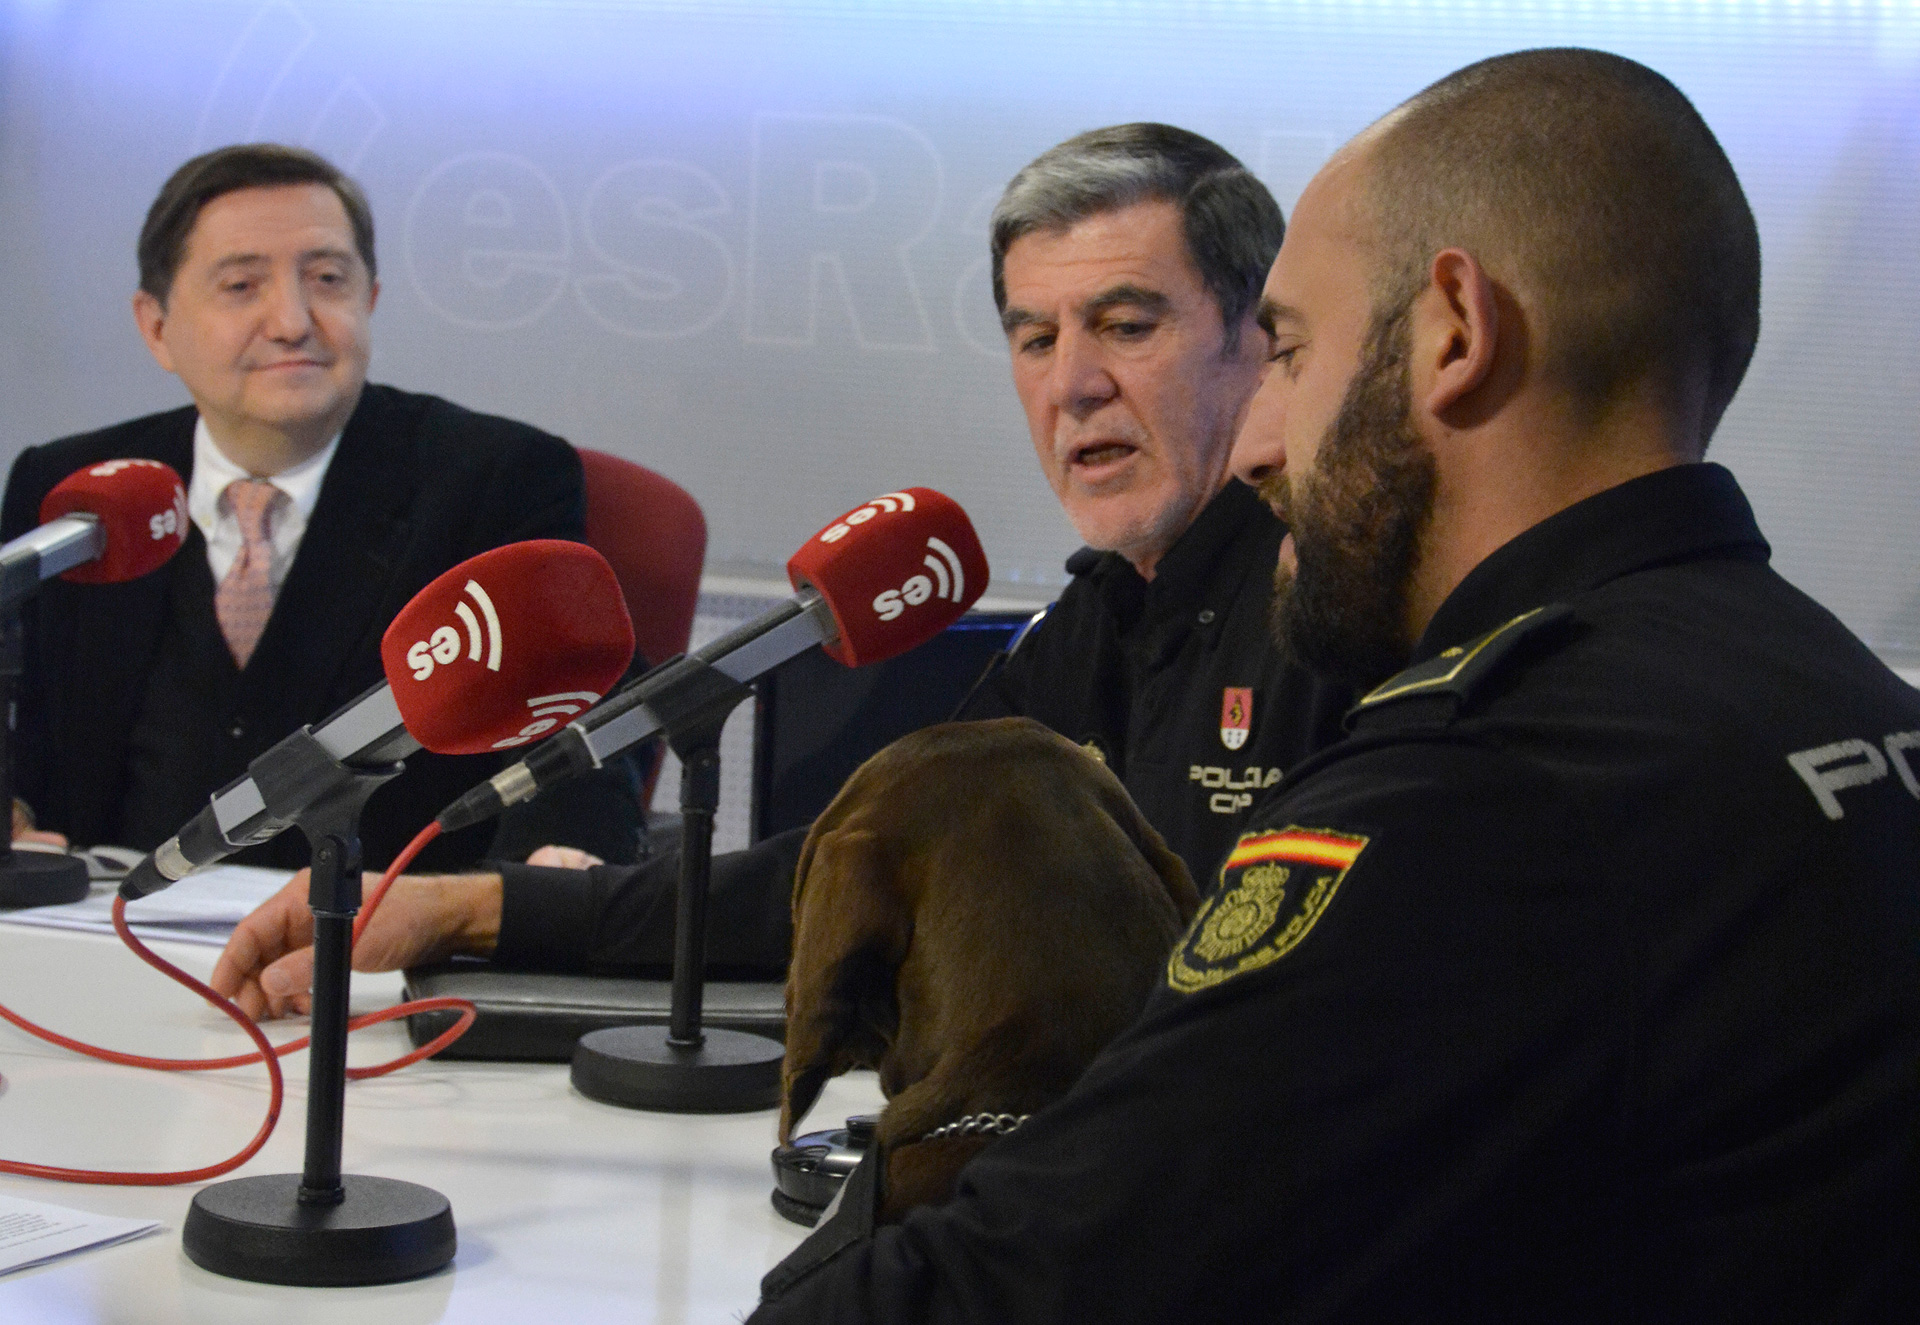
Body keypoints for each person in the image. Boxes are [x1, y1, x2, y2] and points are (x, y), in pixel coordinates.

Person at [747, 48, 1920, 1320]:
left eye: (1292, 353)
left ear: (1454, 335)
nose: (1259, 441)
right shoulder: (1843, 696)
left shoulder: (1484, 796)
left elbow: (1015, 1283)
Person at [211, 124, 1353, 1019]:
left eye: (1126, 323)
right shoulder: (1096, 615)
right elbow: (858, 871)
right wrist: (473, 903)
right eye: (1036, 337)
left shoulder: (1336, 610)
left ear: (1259, 337)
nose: (1074, 385)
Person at [0, 144, 641, 876]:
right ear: (156, 327)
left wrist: (545, 869)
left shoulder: (495, 481)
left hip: (378, 952)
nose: (291, 320)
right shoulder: (72, 494)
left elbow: (584, 720)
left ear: (369, 300)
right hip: (98, 934)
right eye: (242, 285)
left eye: (327, 279)